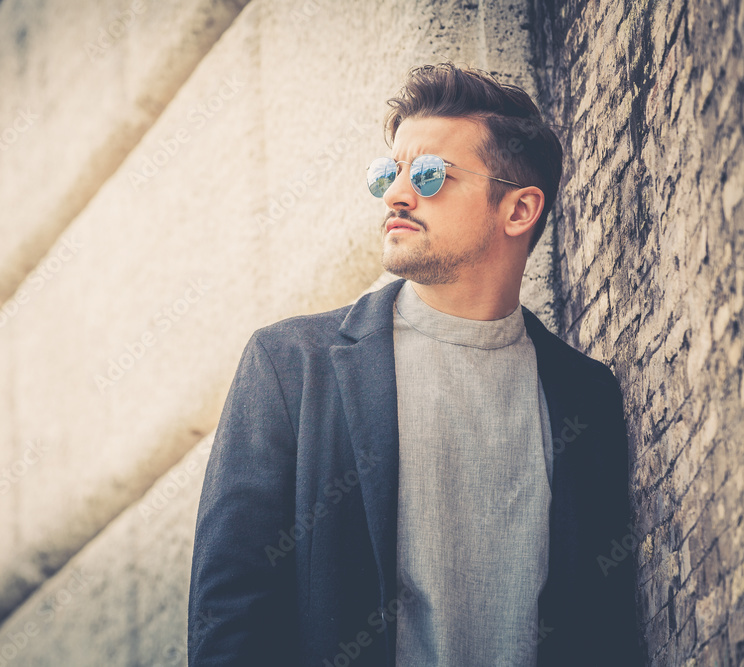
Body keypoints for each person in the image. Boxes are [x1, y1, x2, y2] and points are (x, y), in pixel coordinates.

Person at [187, 63, 644, 666]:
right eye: (390, 174)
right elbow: (230, 615)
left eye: (429, 175)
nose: (398, 195)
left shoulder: (584, 396)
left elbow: (605, 624)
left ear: (518, 210)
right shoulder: (292, 368)